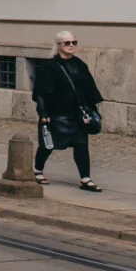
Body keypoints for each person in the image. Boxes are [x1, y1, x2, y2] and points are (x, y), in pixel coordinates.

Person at [32, 32, 104, 191]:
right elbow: (41, 93)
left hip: (77, 114)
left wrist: (92, 110)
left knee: (81, 145)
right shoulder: (48, 67)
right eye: (67, 43)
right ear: (58, 46)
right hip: (56, 113)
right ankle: (37, 170)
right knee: (48, 144)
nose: (71, 45)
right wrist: (43, 113)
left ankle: (85, 179)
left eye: (74, 42)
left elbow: (89, 89)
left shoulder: (80, 65)